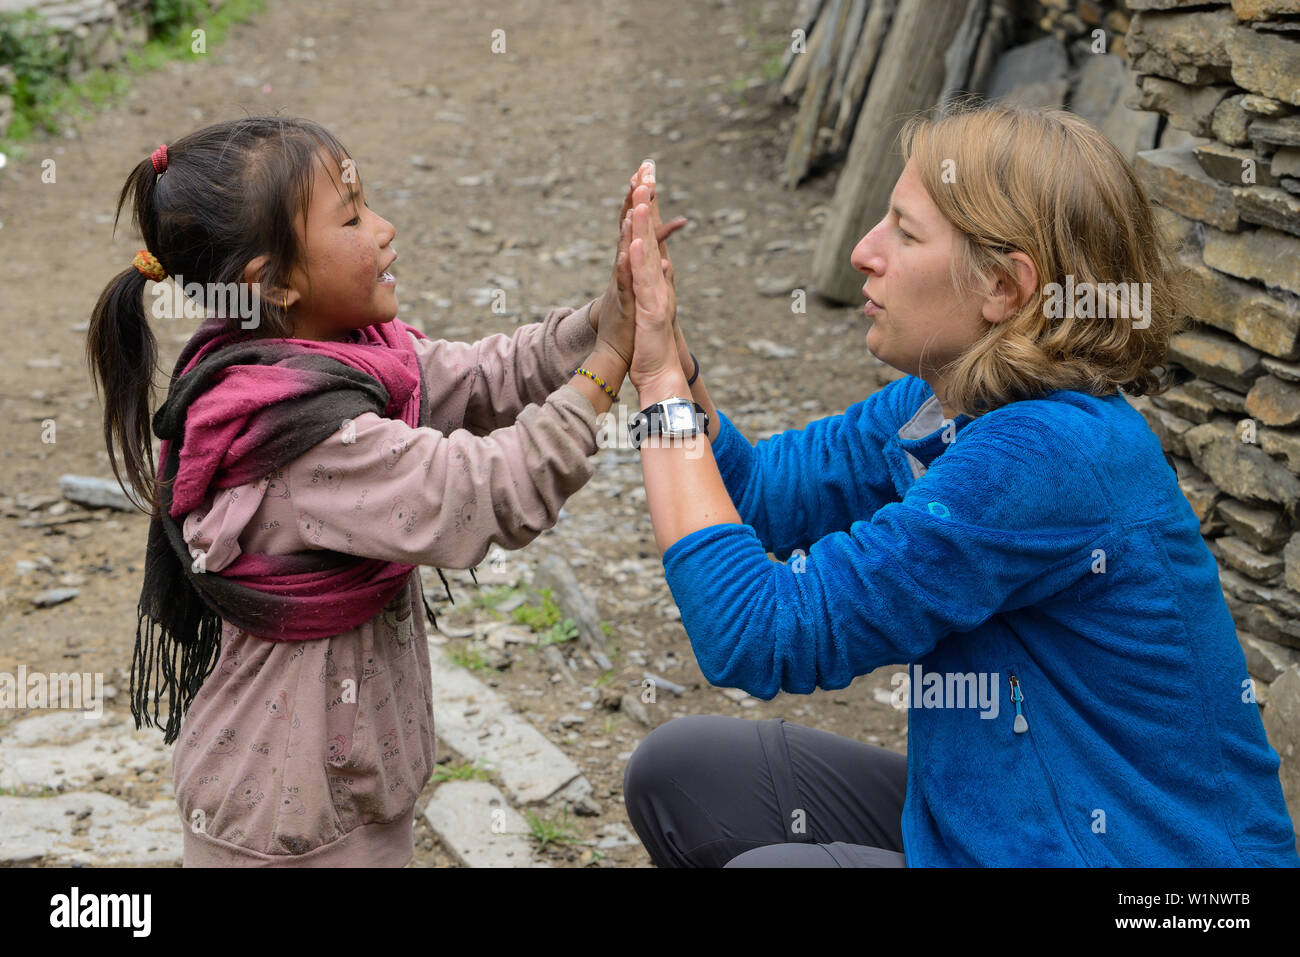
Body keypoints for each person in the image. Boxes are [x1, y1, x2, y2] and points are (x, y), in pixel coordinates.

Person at [618, 101, 1300, 867]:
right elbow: (767, 495)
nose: (862, 252)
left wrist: (658, 388)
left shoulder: (1046, 457)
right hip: (1013, 826)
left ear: (1004, 288)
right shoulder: (952, 398)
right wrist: (675, 354)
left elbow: (758, 630)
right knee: (683, 773)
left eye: (906, 234)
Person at [86, 116, 680, 866]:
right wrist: (605, 369)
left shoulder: (351, 358)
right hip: (282, 815)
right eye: (353, 216)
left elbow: (482, 375)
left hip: (344, 780)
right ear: (272, 283)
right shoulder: (298, 433)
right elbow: (482, 490)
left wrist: (606, 314)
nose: (387, 228)